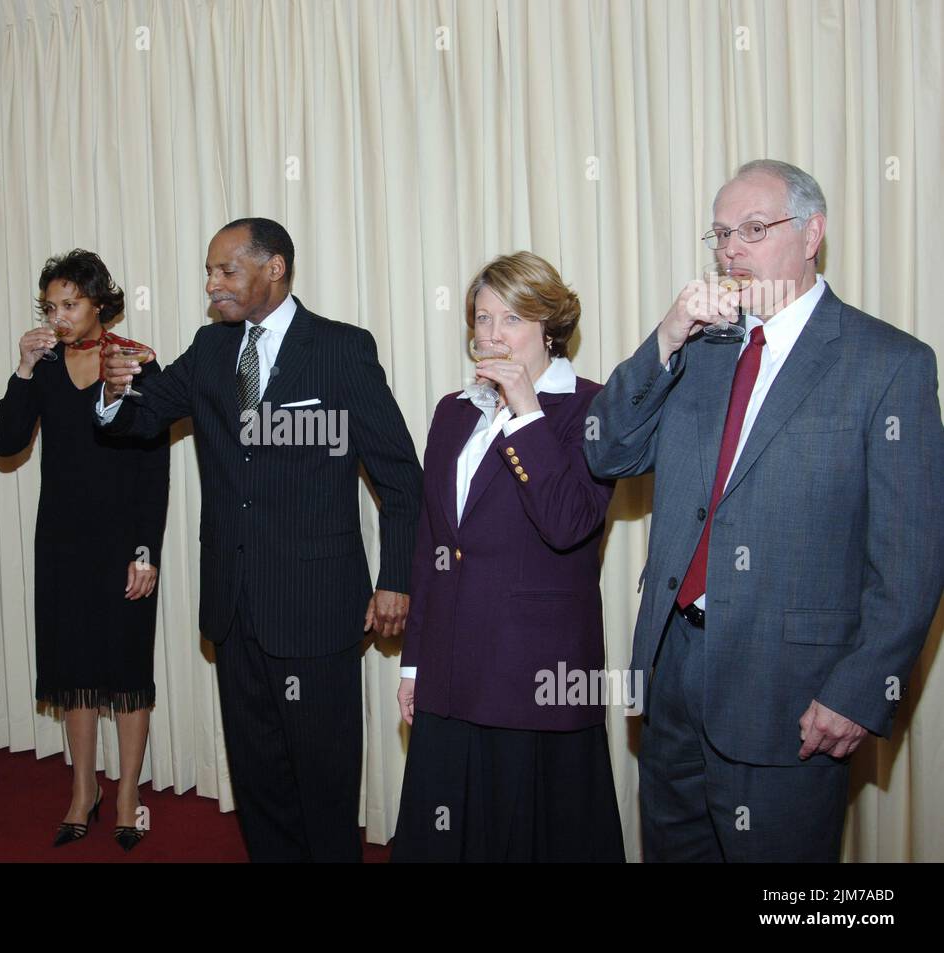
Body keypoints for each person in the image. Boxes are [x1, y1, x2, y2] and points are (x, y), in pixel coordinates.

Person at [585, 159, 944, 862]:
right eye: (720, 234)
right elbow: (606, 451)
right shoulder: (699, 349)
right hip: (675, 671)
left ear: (813, 233)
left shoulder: (889, 363)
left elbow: (912, 555)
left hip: (793, 690)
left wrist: (861, 689)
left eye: (752, 229)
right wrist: (665, 335)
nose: (730, 251)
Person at [97, 218, 423, 862]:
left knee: (324, 782)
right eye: (209, 272)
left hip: (316, 604)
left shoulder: (341, 349)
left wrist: (397, 579)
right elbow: (138, 418)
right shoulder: (211, 349)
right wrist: (114, 392)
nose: (212, 284)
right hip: (233, 605)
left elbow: (401, 478)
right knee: (258, 779)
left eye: (226, 270)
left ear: (274, 269)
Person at [390, 252, 624, 862]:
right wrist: (414, 662)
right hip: (449, 664)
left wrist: (526, 412)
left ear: (550, 326)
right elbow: (431, 543)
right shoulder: (454, 410)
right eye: (482, 318)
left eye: (512, 318)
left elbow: (570, 523)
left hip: (537, 673)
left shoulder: (593, 409)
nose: (491, 335)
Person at [0, 250, 169, 850]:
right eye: (50, 306)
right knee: (73, 668)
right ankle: (82, 790)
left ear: (99, 303)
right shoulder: (41, 369)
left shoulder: (134, 360)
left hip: (124, 539)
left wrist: (146, 551)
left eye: (70, 304)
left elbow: (155, 466)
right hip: (62, 538)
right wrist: (21, 367)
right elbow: (6, 441)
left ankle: (127, 794)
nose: (59, 316)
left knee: (125, 668)